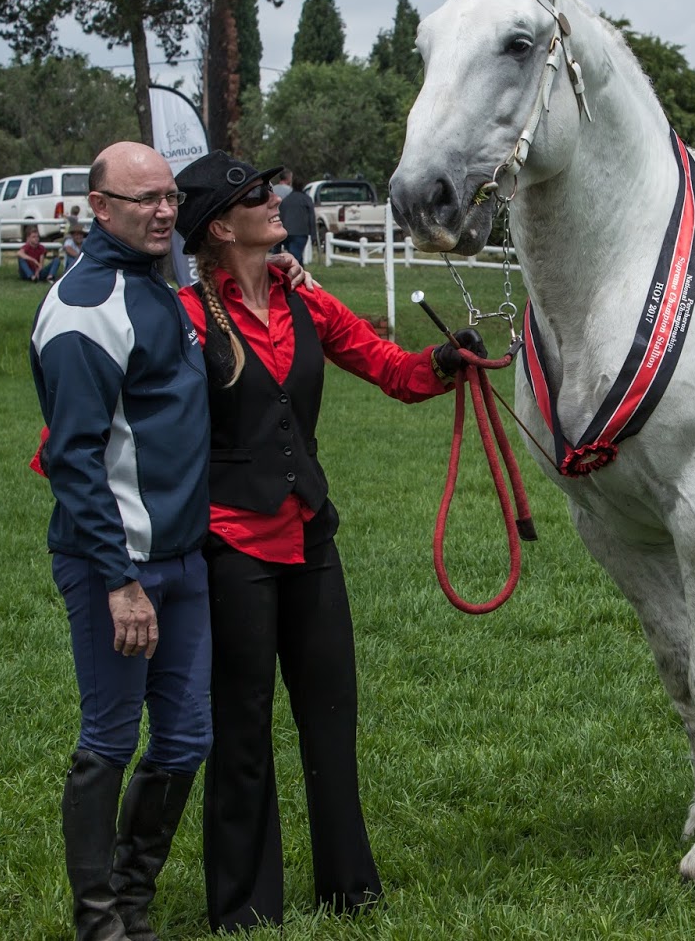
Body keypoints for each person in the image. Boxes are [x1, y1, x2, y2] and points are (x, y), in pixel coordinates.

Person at [171, 151, 483, 932]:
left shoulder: (303, 300)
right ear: (220, 225)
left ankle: (350, 888)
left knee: (331, 717)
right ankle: (245, 906)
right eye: (256, 196)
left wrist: (444, 361)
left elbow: (389, 368)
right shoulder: (181, 314)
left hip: (310, 535)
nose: (277, 201)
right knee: (242, 728)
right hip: (230, 543)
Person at [29, 141, 216, 941]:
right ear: (98, 206)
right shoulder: (83, 305)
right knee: (110, 735)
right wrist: (118, 578)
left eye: (171, 197)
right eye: (145, 200)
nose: (165, 212)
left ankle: (133, 901)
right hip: (118, 564)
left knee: (186, 737)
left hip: (184, 558)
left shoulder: (160, 286)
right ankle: (98, 920)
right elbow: (70, 458)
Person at [274, 168, 315, 265]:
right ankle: (293, 275)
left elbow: (281, 215)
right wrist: (313, 234)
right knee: (295, 256)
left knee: (296, 255)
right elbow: (311, 217)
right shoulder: (306, 199)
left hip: (287, 232)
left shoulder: (286, 200)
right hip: (300, 233)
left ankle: (301, 274)